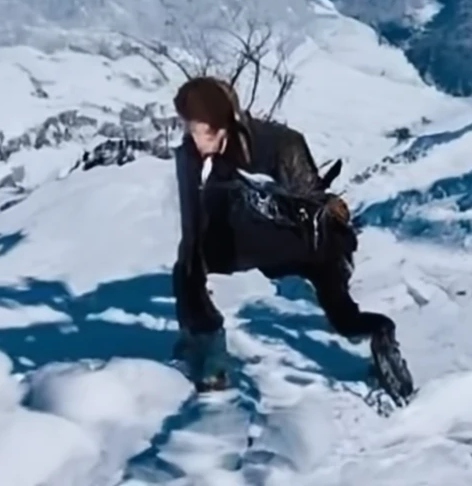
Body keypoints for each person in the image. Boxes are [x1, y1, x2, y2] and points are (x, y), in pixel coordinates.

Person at [170, 75, 414, 401]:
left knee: (343, 316)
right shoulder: (192, 155)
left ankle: (378, 332)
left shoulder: (280, 144)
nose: (194, 138)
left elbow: (314, 210)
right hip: (250, 241)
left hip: (300, 242)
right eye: (190, 128)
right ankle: (208, 355)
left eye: (202, 130)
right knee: (187, 268)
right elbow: (192, 227)